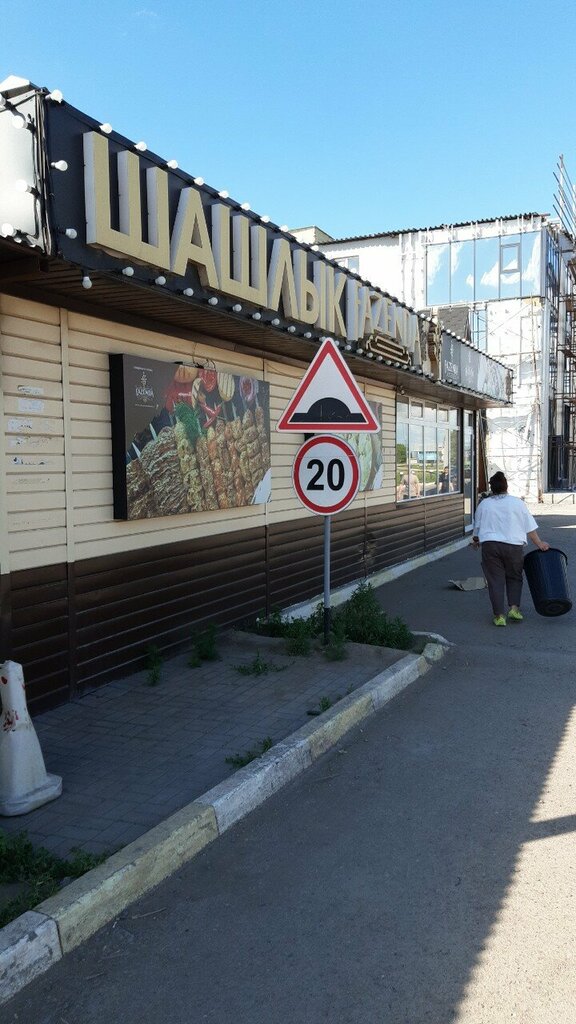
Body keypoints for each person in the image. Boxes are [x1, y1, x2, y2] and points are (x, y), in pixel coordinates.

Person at [471, 471, 549, 626]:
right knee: (514, 577)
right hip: (514, 546)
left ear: (492, 488)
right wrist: (539, 543)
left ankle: (499, 616)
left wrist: (476, 541)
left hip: (490, 547)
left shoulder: (484, 504)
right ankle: (514, 609)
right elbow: (529, 527)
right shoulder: (517, 503)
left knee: (495, 581)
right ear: (506, 486)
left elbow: (477, 528)